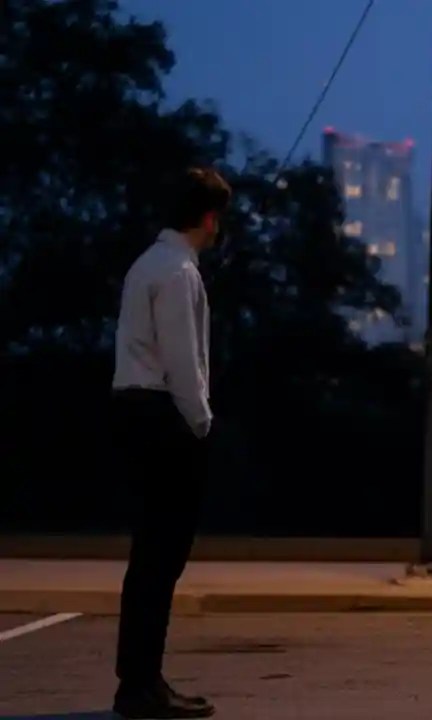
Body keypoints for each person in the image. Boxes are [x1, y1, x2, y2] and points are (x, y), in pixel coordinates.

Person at [110, 167, 230, 719]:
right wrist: (202, 425)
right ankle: (142, 687)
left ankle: (138, 680)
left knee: (148, 556)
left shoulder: (146, 264)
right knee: (163, 556)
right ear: (209, 218)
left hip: (134, 409)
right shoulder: (180, 272)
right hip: (163, 416)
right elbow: (184, 361)